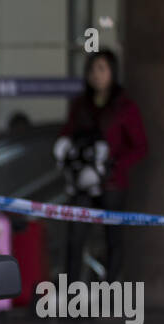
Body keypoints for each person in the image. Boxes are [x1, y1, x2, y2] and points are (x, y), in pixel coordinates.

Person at [55, 49, 147, 282]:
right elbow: (68, 132)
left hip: (112, 184)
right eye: (92, 69)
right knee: (75, 238)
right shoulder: (80, 105)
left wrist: (113, 166)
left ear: (113, 72)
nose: (96, 75)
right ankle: (72, 297)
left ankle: (109, 295)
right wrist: (63, 147)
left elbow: (140, 147)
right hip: (81, 182)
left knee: (113, 239)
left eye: (101, 69)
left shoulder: (125, 107)